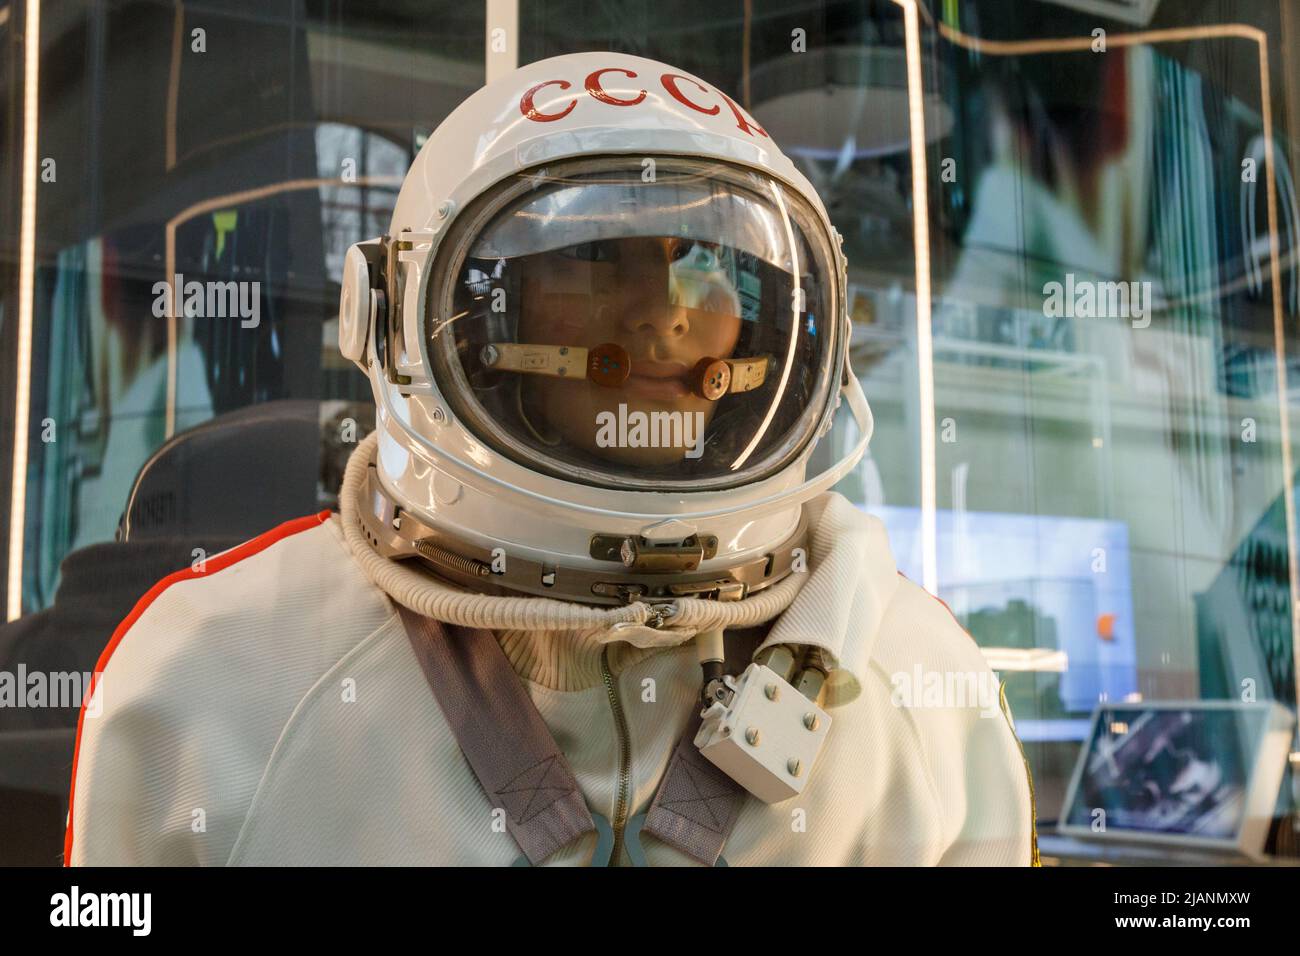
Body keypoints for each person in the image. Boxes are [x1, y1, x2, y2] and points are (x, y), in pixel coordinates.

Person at [64, 52, 1038, 866]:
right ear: (408, 315)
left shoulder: (919, 687)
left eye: (705, 261)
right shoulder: (213, 690)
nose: (665, 313)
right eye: (592, 256)